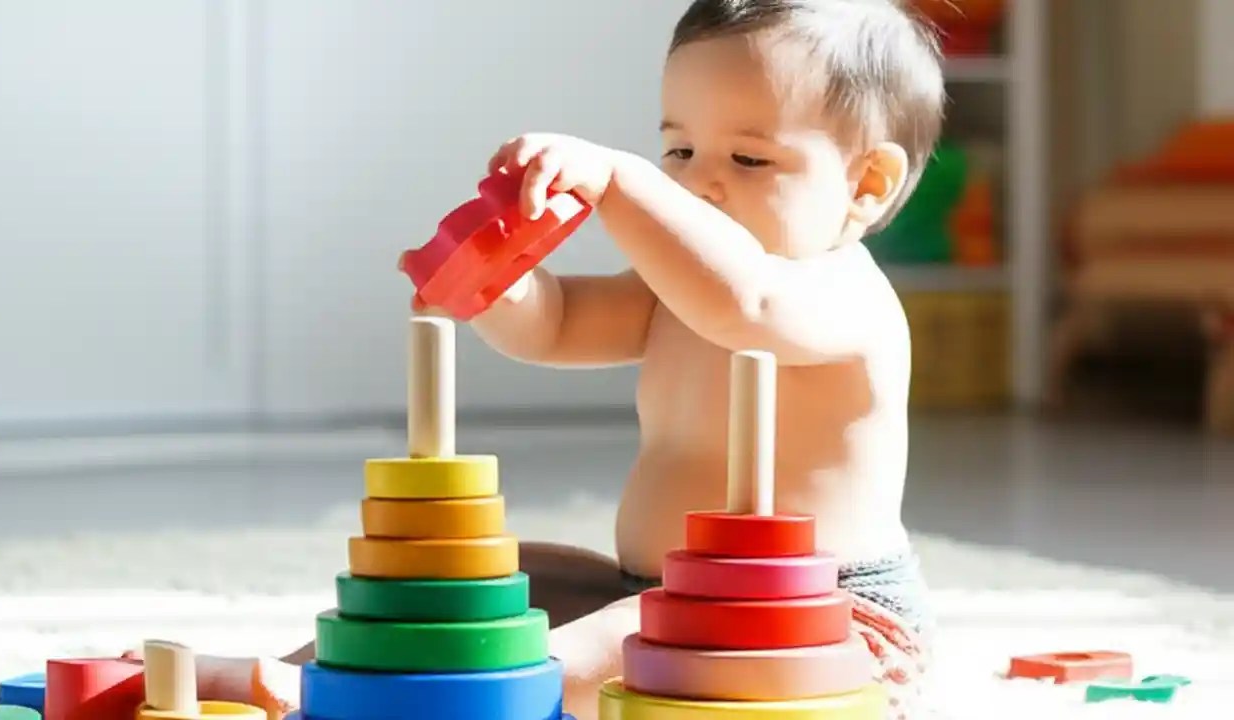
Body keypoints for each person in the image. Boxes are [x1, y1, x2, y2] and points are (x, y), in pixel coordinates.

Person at [172, 2, 946, 718]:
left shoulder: (839, 296)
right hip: (662, 594)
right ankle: (310, 676)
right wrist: (498, 283)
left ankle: (482, 696)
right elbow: (560, 327)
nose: (696, 185)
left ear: (864, 185)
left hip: (827, 623)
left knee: (616, 634)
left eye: (747, 159)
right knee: (497, 575)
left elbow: (743, 305)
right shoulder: (670, 292)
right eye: (677, 149)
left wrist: (623, 180)